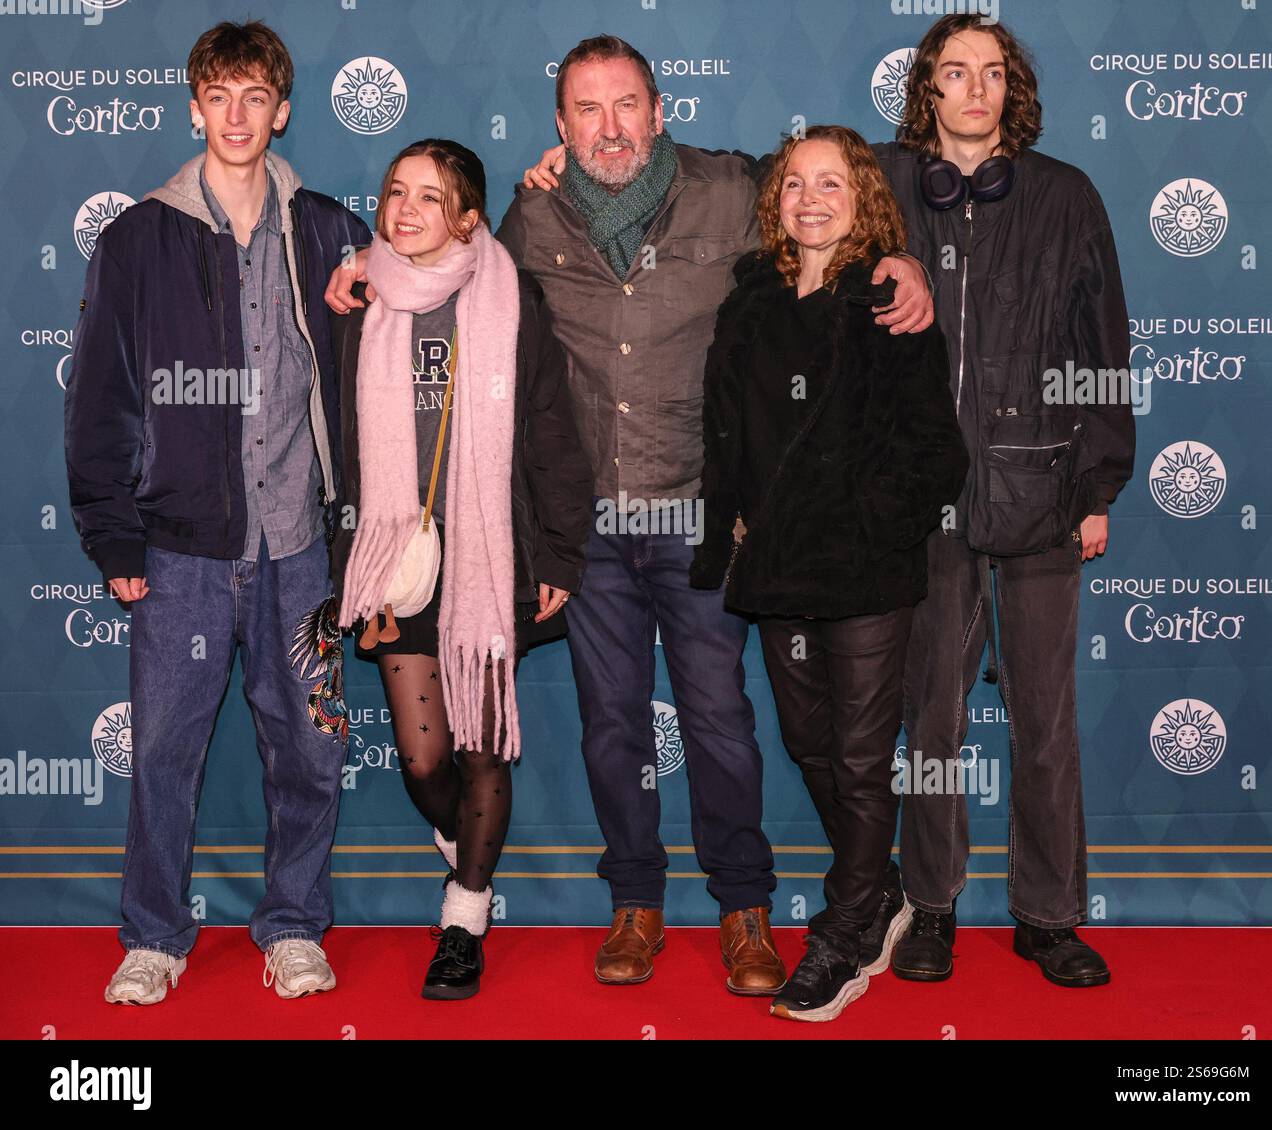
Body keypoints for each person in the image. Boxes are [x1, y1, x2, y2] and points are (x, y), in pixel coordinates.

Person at [329, 34, 935, 995]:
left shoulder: (737, 189)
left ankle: (743, 908)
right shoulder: (530, 214)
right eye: (586, 110)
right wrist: (363, 266)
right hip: (589, 533)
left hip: (701, 514)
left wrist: (899, 252)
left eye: (625, 106)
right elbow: (439, 250)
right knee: (611, 727)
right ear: (560, 125)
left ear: (660, 112)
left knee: (720, 723)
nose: (608, 128)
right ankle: (636, 907)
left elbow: (839, 190)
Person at [65, 21, 372, 1005]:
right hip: (180, 547)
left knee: (314, 739)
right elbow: (100, 397)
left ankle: (291, 920)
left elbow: (381, 364)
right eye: (219, 97)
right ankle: (154, 932)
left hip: (302, 549)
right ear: (194, 106)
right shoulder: (137, 238)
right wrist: (112, 529)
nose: (236, 116)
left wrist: (357, 523)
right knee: (161, 748)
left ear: (281, 110)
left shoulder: (329, 229)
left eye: (256, 98)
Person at [872, 14, 1136, 986]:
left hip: (1044, 492)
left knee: (1044, 716)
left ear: (1010, 88)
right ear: (927, 89)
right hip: (920, 506)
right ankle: (930, 905)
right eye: (954, 71)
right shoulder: (884, 189)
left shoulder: (1066, 195)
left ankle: (1048, 913)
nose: (974, 89)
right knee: (930, 718)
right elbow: (775, 208)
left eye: (991, 73)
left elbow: (1102, 350)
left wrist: (1096, 484)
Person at [692, 126, 968, 1021]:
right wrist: (729, 527)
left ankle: (847, 931)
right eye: (794, 184)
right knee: (812, 744)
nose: (809, 199)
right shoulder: (752, 301)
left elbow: (937, 451)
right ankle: (878, 884)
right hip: (777, 570)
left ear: (864, 200)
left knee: (857, 757)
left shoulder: (887, 296)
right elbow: (727, 436)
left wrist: (867, 526)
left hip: (864, 571)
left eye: (832, 184)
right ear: (775, 200)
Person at [329, 138, 592, 999]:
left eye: (429, 198)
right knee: (422, 759)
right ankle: (466, 844)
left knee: (482, 754)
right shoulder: (359, 297)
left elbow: (554, 432)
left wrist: (557, 549)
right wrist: (349, 564)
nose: (403, 211)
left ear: (469, 217)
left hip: (494, 553)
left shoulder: (513, 300)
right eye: (394, 192)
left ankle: (464, 919)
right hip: (400, 560)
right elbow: (341, 452)